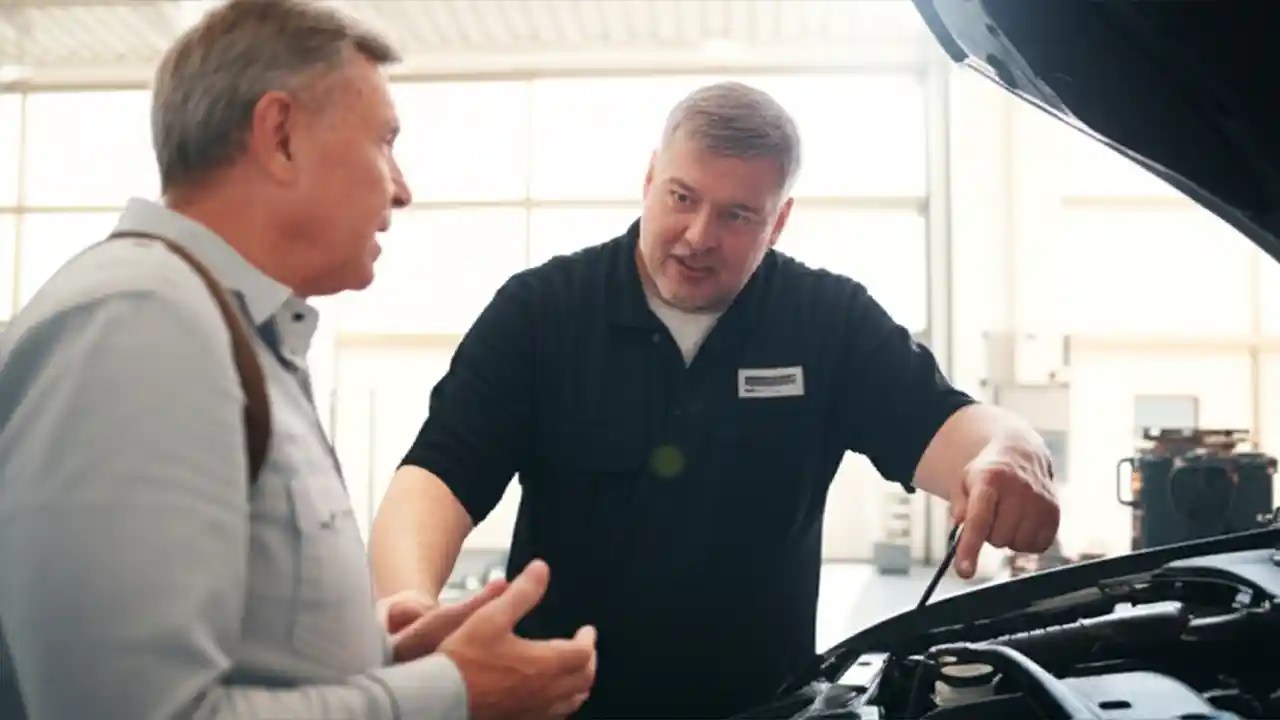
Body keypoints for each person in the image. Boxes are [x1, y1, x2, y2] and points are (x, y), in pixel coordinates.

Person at [368, 83, 1060, 717]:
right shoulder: (541, 313)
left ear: (779, 220)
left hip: (760, 707)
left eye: (736, 215)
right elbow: (438, 474)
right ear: (648, 181)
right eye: (681, 197)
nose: (699, 236)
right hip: (558, 705)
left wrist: (1010, 446)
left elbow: (949, 427)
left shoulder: (828, 321)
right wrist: (408, 610)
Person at [0, 1, 596, 718]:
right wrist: (451, 693)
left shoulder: (224, 332)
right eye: (383, 143)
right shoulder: (142, 326)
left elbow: (237, 649)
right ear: (280, 135)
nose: (401, 189)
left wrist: (376, 653)